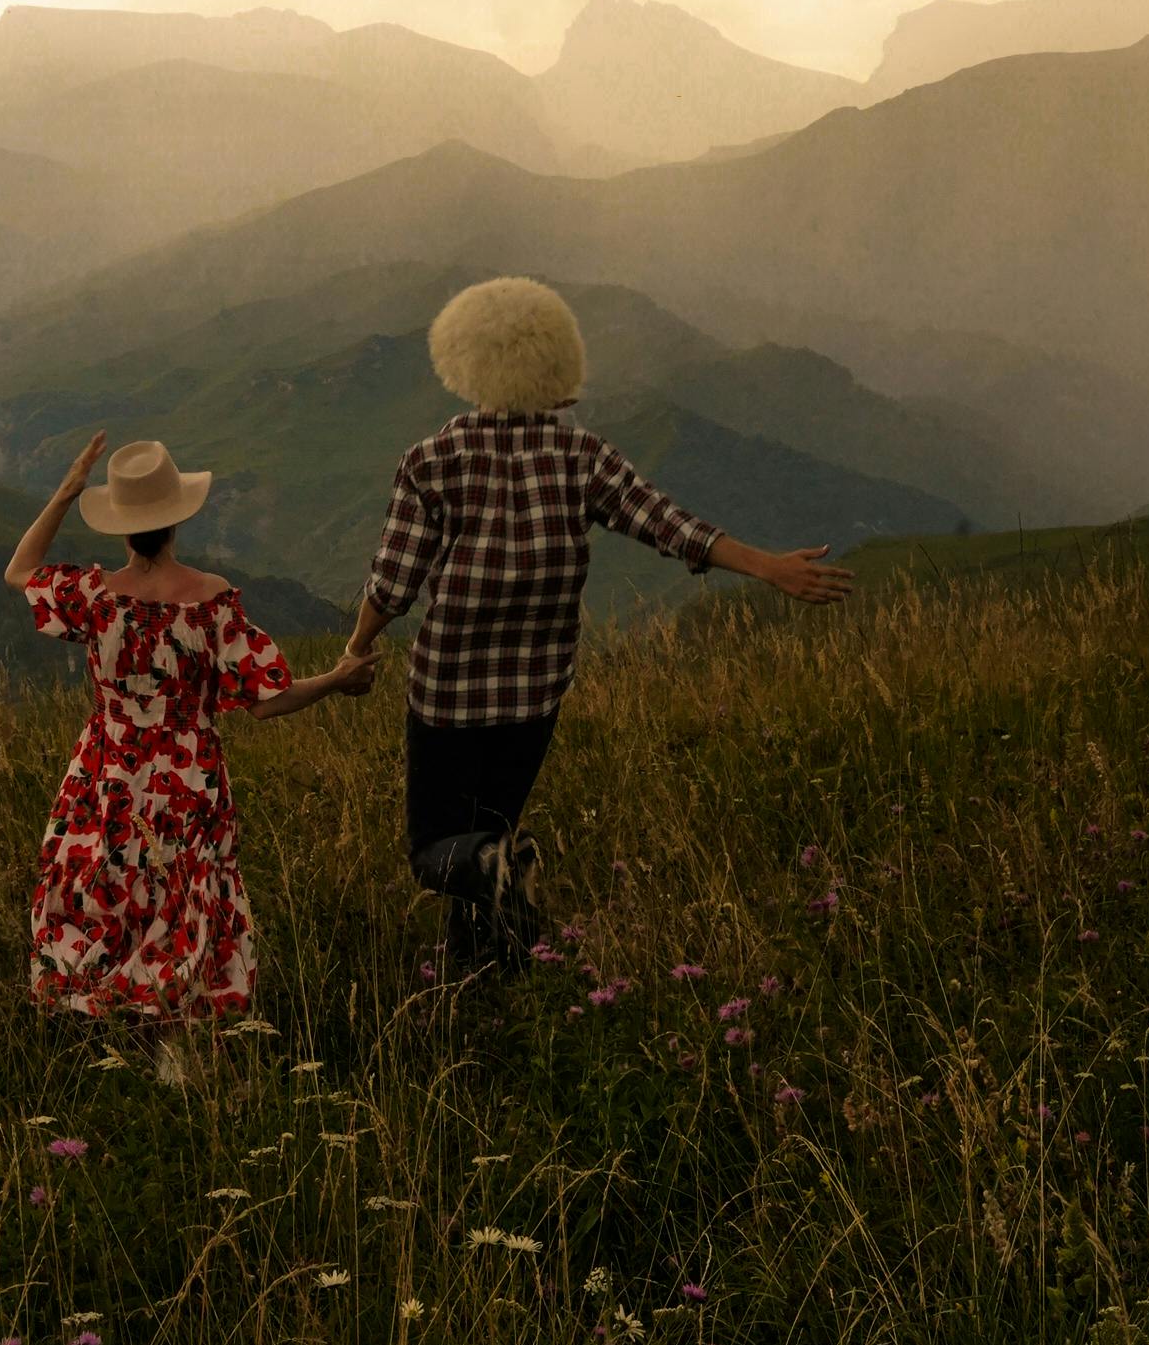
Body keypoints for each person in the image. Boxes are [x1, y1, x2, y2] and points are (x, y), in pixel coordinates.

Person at [342, 277, 853, 963]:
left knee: (436, 850)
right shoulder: (584, 459)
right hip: (536, 696)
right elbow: (671, 526)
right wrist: (768, 566)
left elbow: (394, 582)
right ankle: (496, 976)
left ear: (463, 361)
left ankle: (493, 913)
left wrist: (355, 650)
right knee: (493, 834)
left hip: (449, 696)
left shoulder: (434, 461)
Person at [5, 433, 375, 1058]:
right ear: (176, 520)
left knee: (109, 882)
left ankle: (113, 1024)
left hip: (107, 767)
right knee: (185, 895)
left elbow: (19, 571)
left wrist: (67, 492)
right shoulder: (210, 601)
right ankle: (175, 1045)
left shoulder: (97, 597)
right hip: (188, 774)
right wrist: (337, 679)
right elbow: (268, 702)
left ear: (122, 527)